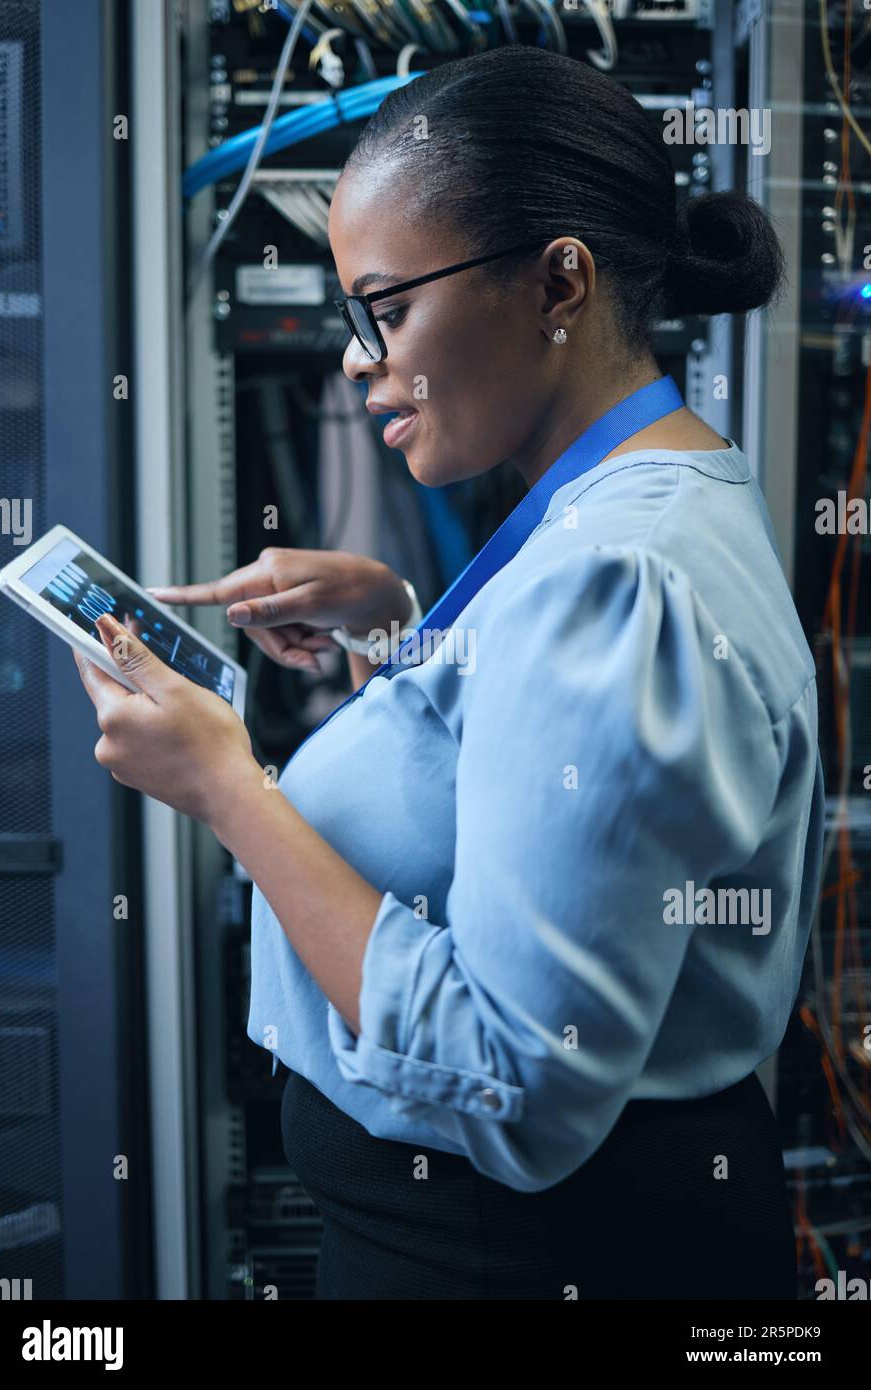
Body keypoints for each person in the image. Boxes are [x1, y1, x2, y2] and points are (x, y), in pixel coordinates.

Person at [75, 45, 824, 1299]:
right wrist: (403, 634)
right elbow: (556, 776)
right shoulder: (650, 489)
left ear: (557, 281)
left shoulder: (614, 579)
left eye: (387, 308)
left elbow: (516, 1082)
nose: (361, 359)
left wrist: (231, 792)